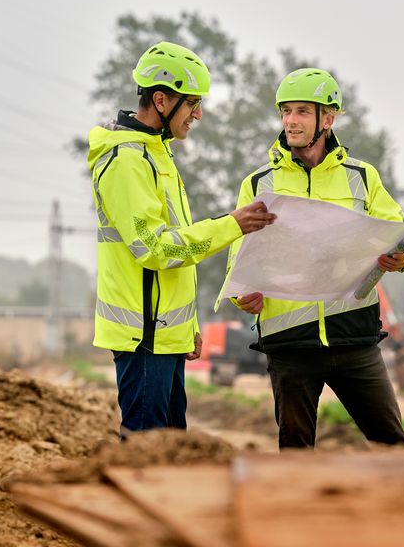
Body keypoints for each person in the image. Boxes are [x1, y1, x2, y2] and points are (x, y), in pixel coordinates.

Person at [87, 40, 275, 438]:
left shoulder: (157, 155)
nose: (198, 114)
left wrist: (184, 327)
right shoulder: (127, 162)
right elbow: (156, 249)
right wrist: (232, 224)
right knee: (147, 458)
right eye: (192, 104)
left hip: (162, 338)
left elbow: (175, 255)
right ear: (160, 100)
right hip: (144, 341)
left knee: (171, 453)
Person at [224, 67, 404, 450]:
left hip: (355, 337)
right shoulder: (259, 183)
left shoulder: (363, 177)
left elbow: (398, 232)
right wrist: (240, 296)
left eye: (301, 112)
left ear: (327, 118)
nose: (290, 122)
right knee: (295, 451)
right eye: (285, 112)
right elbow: (237, 255)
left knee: (392, 445)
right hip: (288, 344)